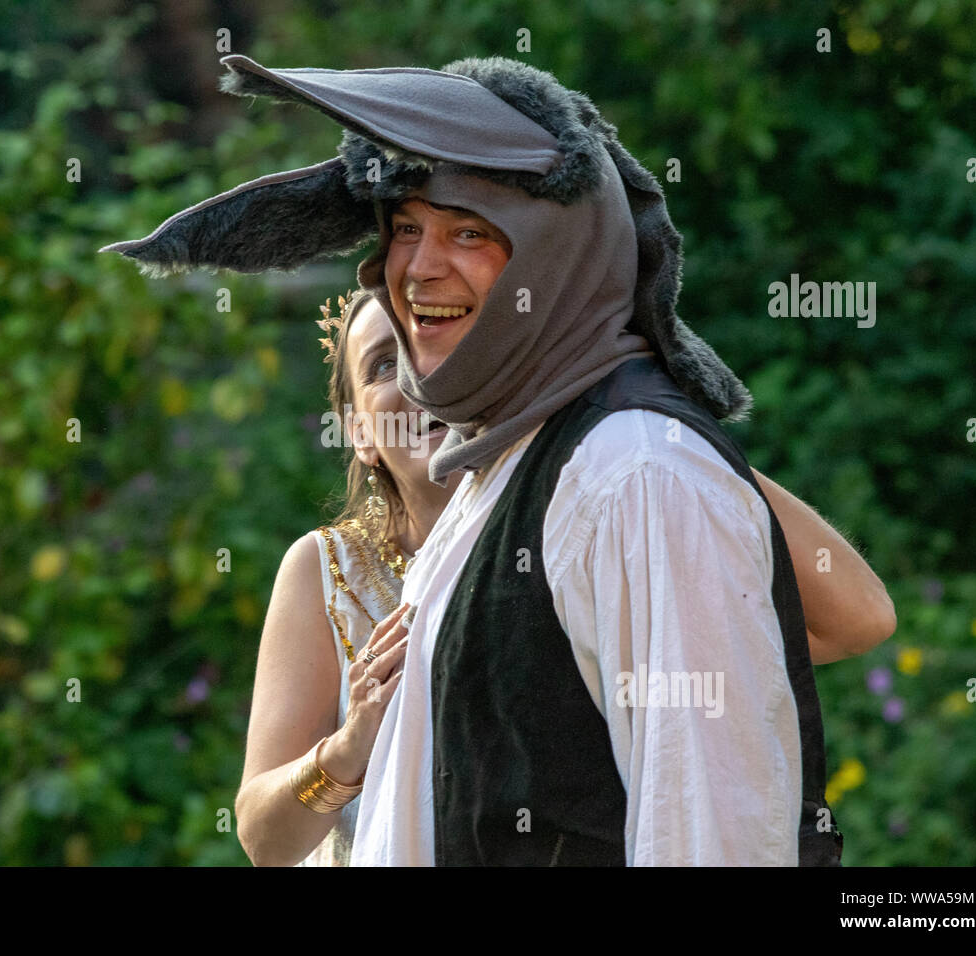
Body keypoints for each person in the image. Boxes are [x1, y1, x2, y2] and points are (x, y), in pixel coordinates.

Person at [102, 54, 898, 865]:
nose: (420, 268)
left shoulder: (639, 476)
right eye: (407, 228)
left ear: (558, 256)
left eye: (470, 231)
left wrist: (653, 417)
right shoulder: (504, 475)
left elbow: (712, 828)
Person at [232, 289, 893, 867]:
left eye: (439, 343)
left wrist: (657, 424)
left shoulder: (609, 503)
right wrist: (349, 751)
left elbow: (861, 618)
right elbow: (265, 842)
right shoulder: (327, 571)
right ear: (359, 433)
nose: (416, 377)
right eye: (383, 364)